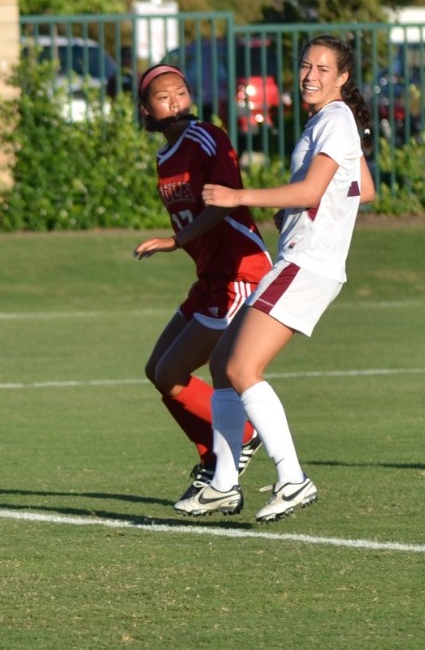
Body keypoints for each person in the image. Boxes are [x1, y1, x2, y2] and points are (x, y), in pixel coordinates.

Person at [174, 35, 376, 522]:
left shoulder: (334, 119)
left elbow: (309, 189)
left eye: (323, 69)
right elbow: (364, 189)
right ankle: (224, 483)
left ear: (343, 78)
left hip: (307, 264)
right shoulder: (332, 121)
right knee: (223, 362)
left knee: (243, 369)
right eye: (306, 66)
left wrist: (238, 197)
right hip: (303, 258)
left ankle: (292, 478)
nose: (310, 76)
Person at [132, 64, 272, 504]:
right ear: (146, 109)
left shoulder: (206, 137)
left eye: (181, 92)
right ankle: (216, 452)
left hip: (239, 272)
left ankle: (239, 438)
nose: (174, 100)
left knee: (176, 371)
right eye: (162, 96)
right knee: (158, 370)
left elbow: (226, 203)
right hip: (210, 277)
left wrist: (176, 241)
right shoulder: (164, 159)